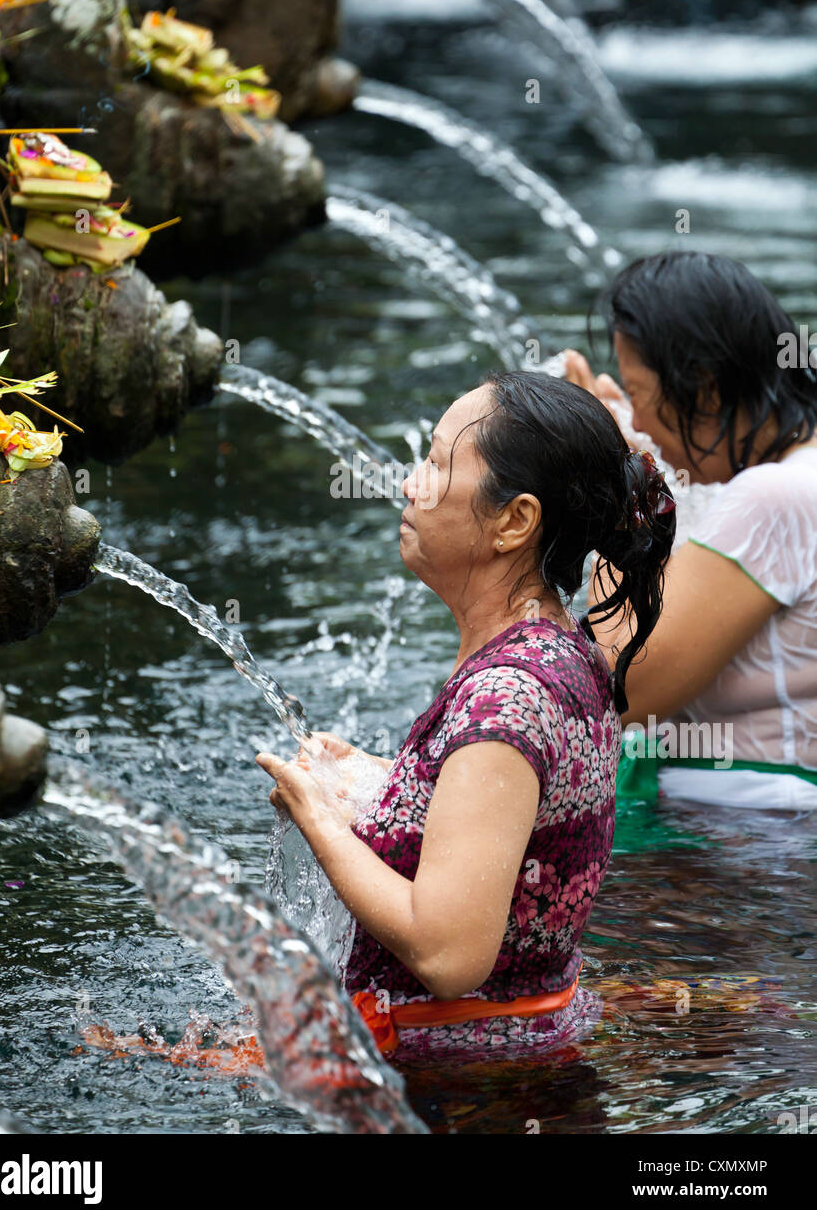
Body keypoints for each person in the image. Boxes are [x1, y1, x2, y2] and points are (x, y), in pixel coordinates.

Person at [257, 372, 674, 1058]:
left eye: (437, 463)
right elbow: (505, 818)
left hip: (462, 1085)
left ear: (515, 522)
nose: (410, 484)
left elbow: (450, 953)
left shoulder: (506, 696)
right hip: (514, 1056)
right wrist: (373, 782)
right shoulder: (558, 650)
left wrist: (322, 820)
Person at [563, 251, 817, 809]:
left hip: (739, 850)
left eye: (640, 396)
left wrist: (624, 481)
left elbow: (613, 689)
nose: (642, 422)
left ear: (703, 390)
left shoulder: (772, 498)